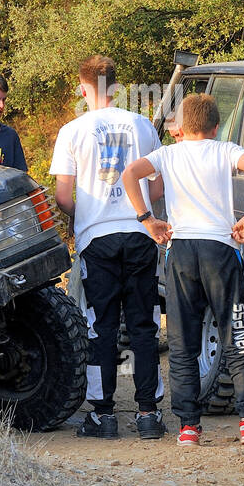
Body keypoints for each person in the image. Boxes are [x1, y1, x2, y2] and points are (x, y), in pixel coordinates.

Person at [121, 92, 244, 447]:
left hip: (180, 251)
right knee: (236, 334)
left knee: (181, 342)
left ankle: (188, 428)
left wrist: (147, 220)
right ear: (215, 126)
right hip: (220, 249)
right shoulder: (224, 150)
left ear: (181, 126)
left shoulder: (168, 153)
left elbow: (130, 173)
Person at [50, 55, 166, 440]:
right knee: (144, 325)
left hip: (97, 237)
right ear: (117, 89)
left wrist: (87, 217)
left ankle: (104, 414)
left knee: (101, 327)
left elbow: (63, 196)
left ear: (83, 90)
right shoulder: (143, 125)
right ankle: (149, 413)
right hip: (140, 232)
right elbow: (158, 188)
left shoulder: (72, 131)